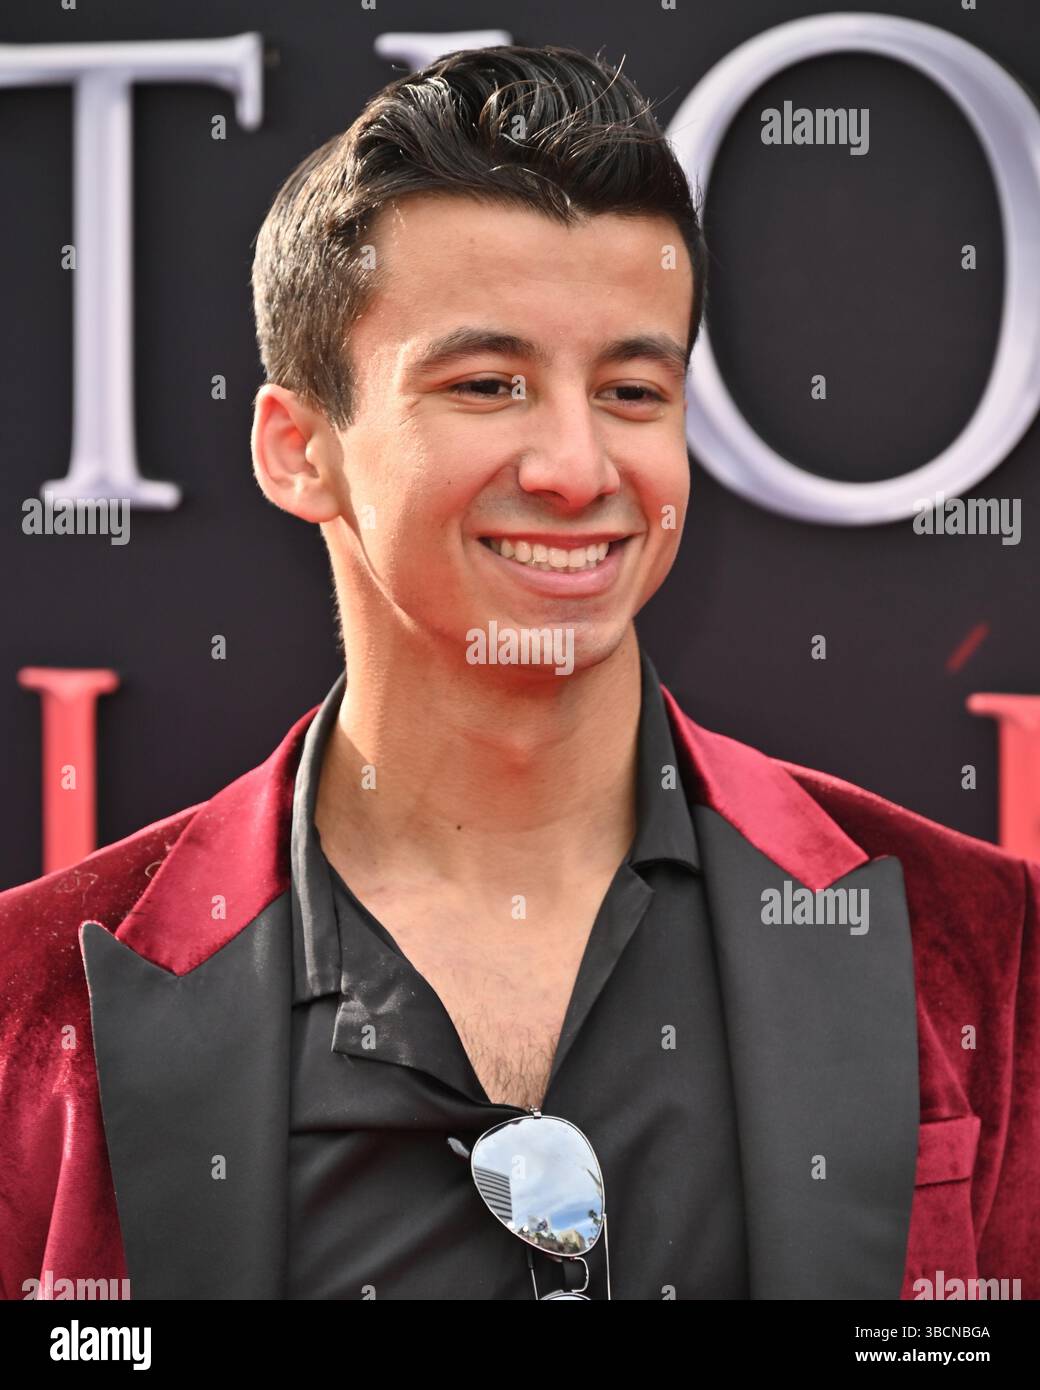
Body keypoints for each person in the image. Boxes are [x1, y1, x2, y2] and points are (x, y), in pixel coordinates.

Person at [1, 43, 1037, 1302]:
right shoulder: (30, 1000)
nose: (574, 465)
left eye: (631, 388)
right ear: (298, 451)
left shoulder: (982, 945)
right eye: (487, 383)